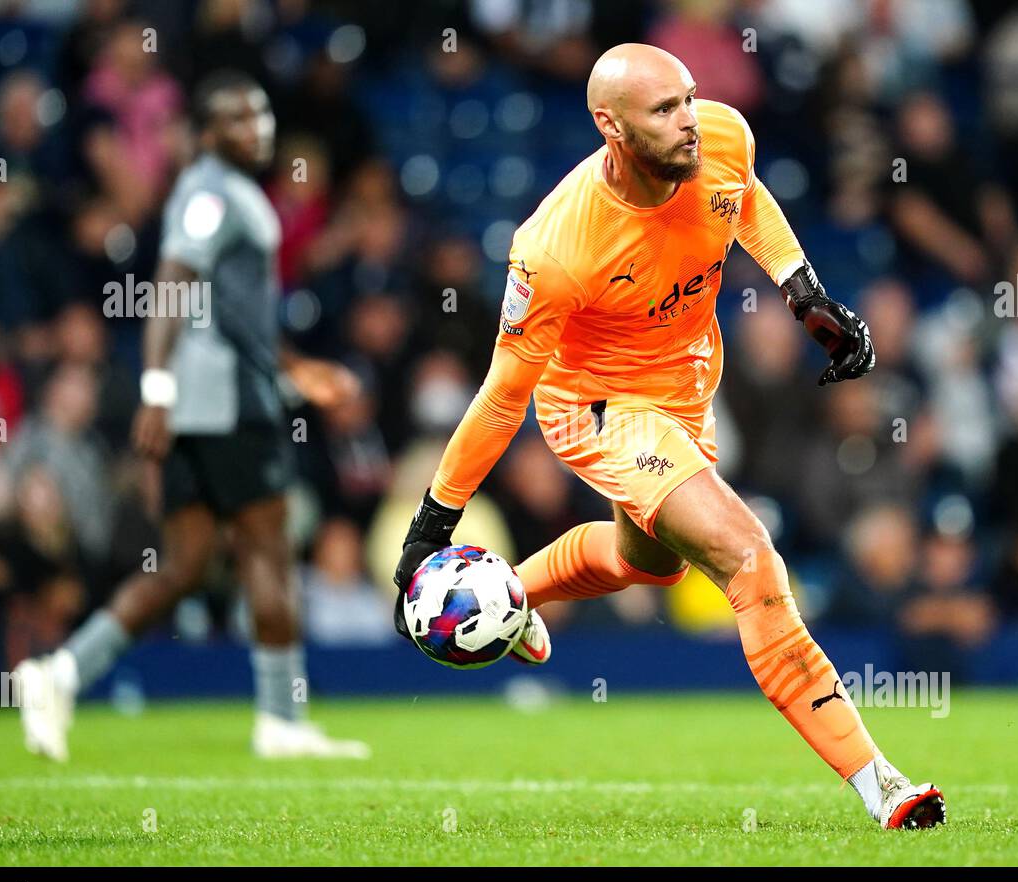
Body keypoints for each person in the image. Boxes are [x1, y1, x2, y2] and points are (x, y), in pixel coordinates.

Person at [392, 44, 945, 829]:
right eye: (664, 110)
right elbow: (499, 399)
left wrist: (802, 289)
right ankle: (883, 784)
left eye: (688, 98)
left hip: (687, 389)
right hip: (599, 408)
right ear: (608, 127)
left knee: (644, 563)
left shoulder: (720, 136)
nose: (689, 121)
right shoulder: (554, 247)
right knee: (749, 559)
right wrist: (429, 531)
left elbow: (743, 196)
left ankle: (503, 598)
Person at [17, 71, 368, 761]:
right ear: (207, 133)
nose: (257, 128)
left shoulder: (228, 190)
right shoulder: (209, 192)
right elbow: (172, 283)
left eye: (262, 114)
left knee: (183, 565)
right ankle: (280, 720)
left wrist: (291, 367)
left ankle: (58, 673)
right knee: (267, 547)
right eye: (239, 117)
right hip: (224, 406)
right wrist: (155, 385)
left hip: (217, 397)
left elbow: (233, 313)